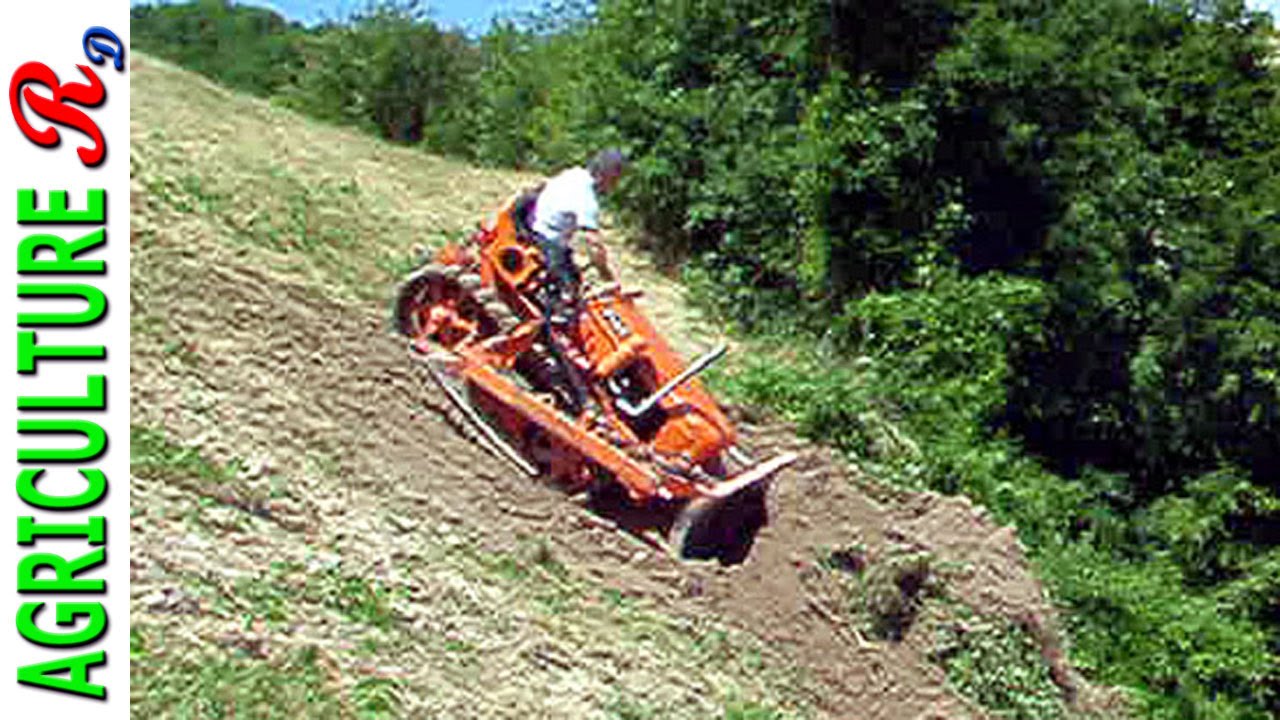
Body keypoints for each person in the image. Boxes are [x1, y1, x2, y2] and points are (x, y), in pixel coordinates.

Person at [528, 149, 626, 299]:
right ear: (608, 174)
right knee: (571, 300)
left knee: (576, 278)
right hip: (548, 244)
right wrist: (608, 279)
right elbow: (594, 245)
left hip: (535, 231)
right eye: (616, 179)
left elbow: (539, 187)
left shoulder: (573, 174)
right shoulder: (586, 199)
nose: (616, 185)